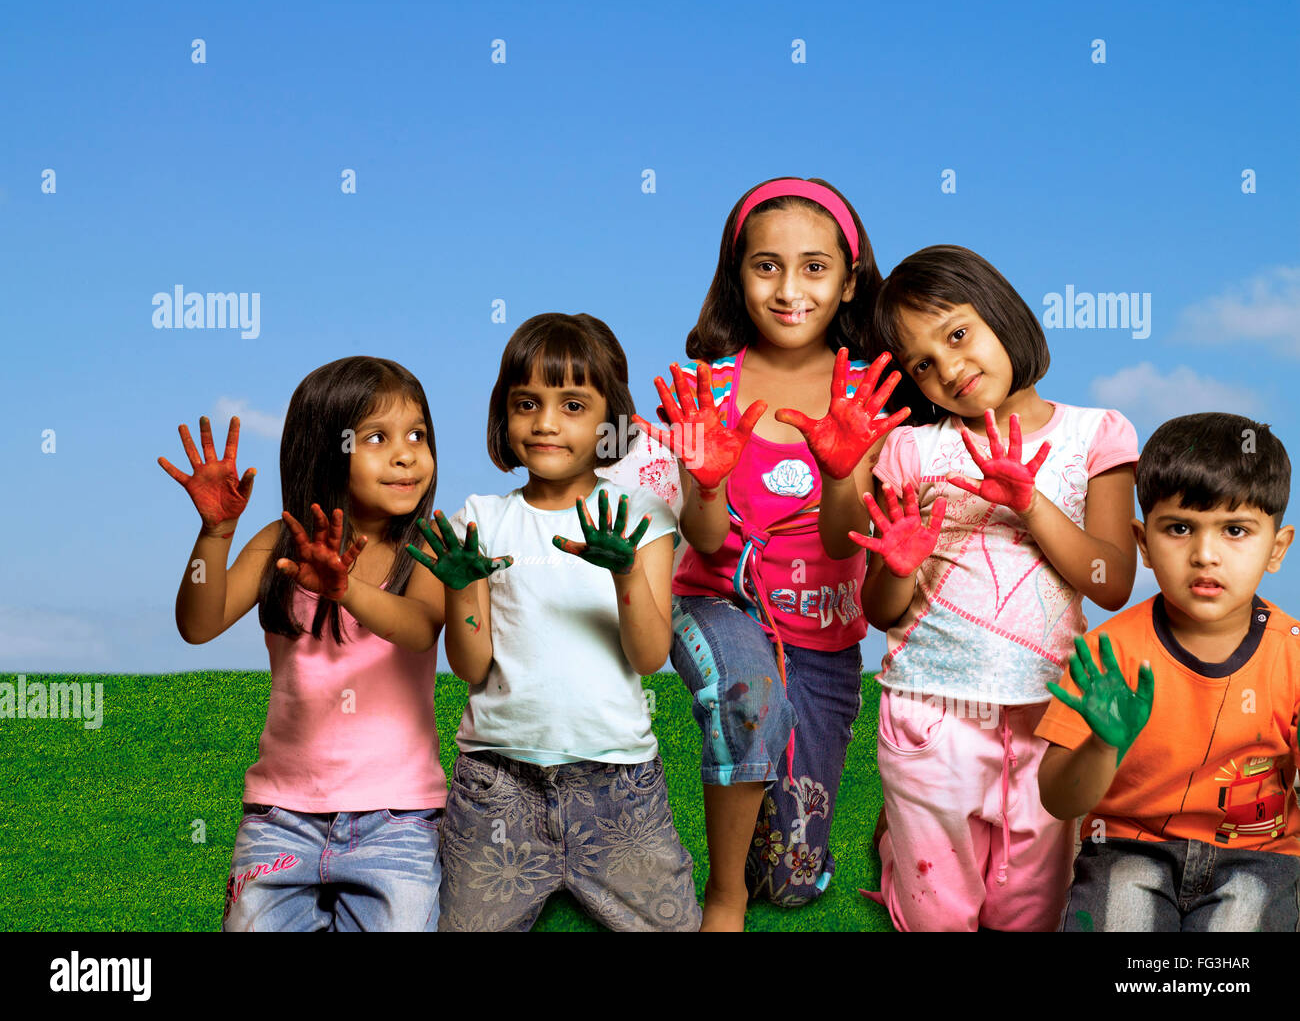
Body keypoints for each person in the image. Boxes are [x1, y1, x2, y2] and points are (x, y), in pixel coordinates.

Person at [638, 177, 906, 930]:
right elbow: (707, 537)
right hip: (717, 604)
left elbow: (838, 538)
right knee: (752, 693)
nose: (790, 289)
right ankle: (721, 895)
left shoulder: (872, 391)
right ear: (737, 272)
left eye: (815, 267)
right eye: (766, 266)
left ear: (850, 279)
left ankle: (761, 854)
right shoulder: (704, 389)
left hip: (823, 628)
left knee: (792, 878)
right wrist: (709, 481)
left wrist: (844, 470)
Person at [858, 245, 1139, 931]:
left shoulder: (1098, 434)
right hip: (930, 714)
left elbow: (1111, 581)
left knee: (1027, 914)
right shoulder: (912, 451)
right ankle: (905, 854)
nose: (949, 369)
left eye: (957, 334)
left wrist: (1030, 500)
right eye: (922, 363)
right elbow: (877, 610)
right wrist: (897, 568)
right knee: (940, 912)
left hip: (1048, 717)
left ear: (1001, 313)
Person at [415, 312, 701, 932]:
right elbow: (471, 666)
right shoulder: (482, 518)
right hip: (499, 783)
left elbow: (650, 656)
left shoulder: (639, 515)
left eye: (573, 404)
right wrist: (460, 588)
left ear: (609, 422)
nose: (546, 422)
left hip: (620, 785)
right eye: (527, 403)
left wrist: (625, 573)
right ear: (504, 416)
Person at [159, 357, 447, 931]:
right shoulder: (278, 543)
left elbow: (419, 628)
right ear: (325, 449)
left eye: (417, 434)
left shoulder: (430, 545)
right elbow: (199, 622)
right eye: (377, 438)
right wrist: (214, 533)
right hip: (279, 818)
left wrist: (346, 589)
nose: (406, 453)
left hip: (399, 818)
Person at [1037, 412, 1298, 931]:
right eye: (1179, 528)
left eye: (1235, 531)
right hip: (1129, 849)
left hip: (1259, 858)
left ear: (1276, 548)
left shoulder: (1292, 653)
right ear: (1143, 542)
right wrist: (1103, 745)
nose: (1205, 555)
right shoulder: (1107, 655)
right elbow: (1056, 799)